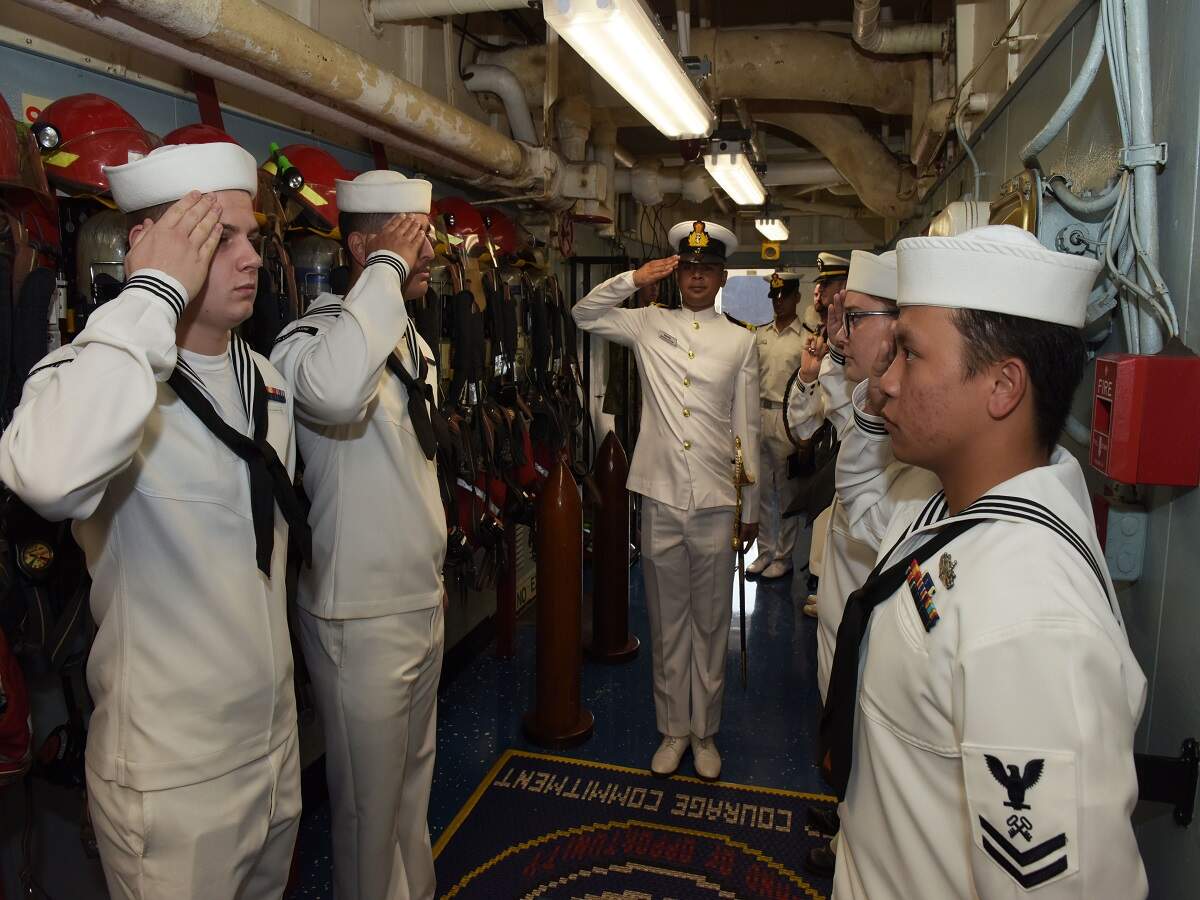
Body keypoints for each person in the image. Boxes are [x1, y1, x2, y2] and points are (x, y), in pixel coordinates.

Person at [0, 142, 309, 899]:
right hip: (172, 780)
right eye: (218, 236)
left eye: (251, 236)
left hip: (272, 751)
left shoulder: (266, 380)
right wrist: (149, 295)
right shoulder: (92, 372)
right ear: (153, 245)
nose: (251, 259)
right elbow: (44, 473)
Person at [823, 225, 1147, 898]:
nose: (882, 382)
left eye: (909, 354)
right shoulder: (936, 504)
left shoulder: (1032, 623)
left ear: (1002, 387)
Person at [270, 170, 443, 900]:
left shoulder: (407, 339)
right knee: (368, 818)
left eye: (425, 236)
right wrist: (385, 271)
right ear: (363, 249)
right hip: (359, 618)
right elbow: (339, 392)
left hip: (418, 599)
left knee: (409, 798)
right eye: (408, 238)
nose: (425, 251)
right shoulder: (309, 343)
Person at [572, 220, 759, 781]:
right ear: (678, 273)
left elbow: (746, 429)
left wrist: (750, 510)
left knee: (708, 625)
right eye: (688, 268)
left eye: (707, 270)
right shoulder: (650, 324)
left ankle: (705, 733)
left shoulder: (741, 340)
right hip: (657, 496)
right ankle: (674, 729)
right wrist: (632, 277)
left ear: (721, 277)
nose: (698, 277)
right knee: (665, 624)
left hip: (715, 501)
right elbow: (583, 314)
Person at [799, 251, 940, 878]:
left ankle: (848, 841)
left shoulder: (914, 427)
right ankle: (846, 819)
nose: (838, 330)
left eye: (852, 317)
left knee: (865, 742)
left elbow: (869, 511)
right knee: (844, 729)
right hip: (844, 597)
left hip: (870, 601)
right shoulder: (866, 391)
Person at [747, 271, 811, 581]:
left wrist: (806, 432)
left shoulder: (806, 339)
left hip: (788, 418)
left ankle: (784, 556)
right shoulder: (760, 335)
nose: (778, 301)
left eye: (784, 295)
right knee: (760, 490)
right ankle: (764, 551)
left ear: (797, 297)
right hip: (759, 414)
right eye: (774, 296)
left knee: (785, 493)